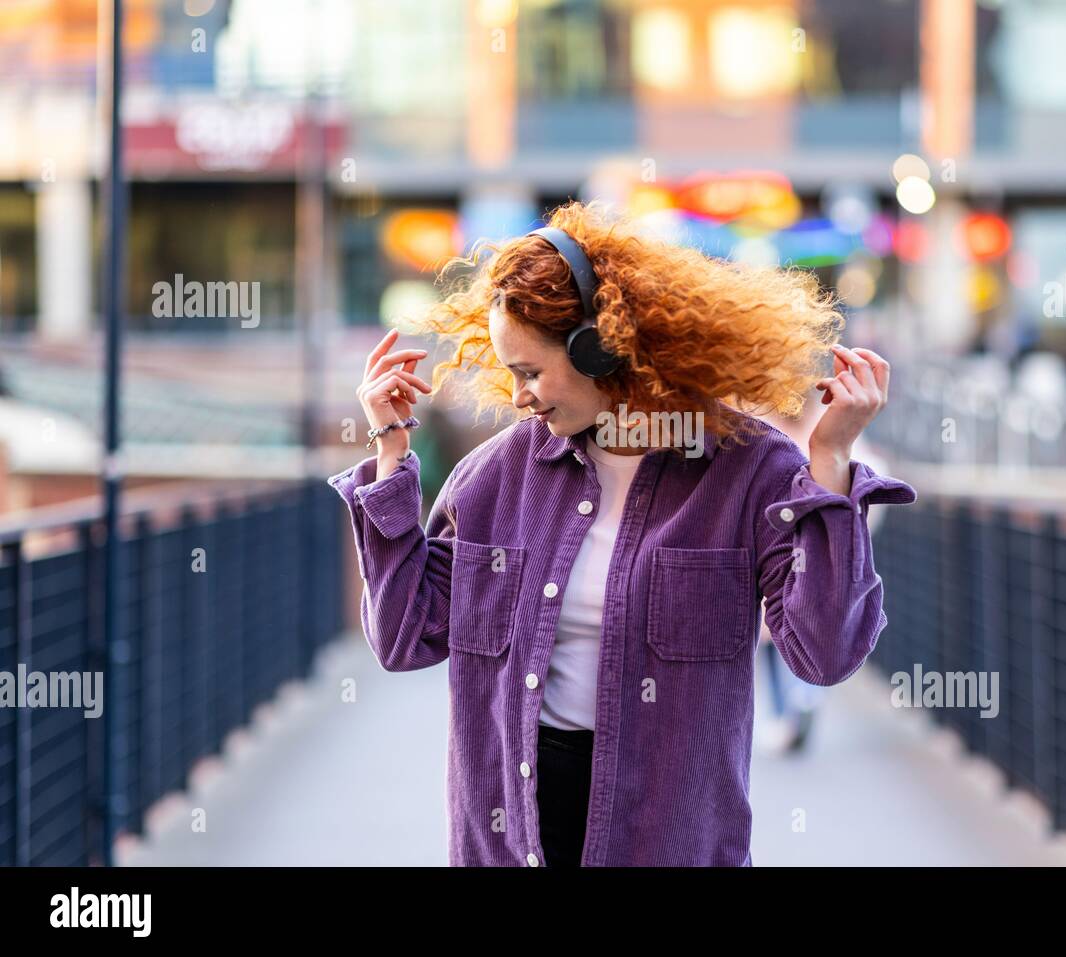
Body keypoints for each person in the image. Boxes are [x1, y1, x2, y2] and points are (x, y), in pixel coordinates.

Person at [327, 199, 917, 867]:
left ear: (598, 345)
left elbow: (826, 652)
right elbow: (404, 636)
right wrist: (389, 456)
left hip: (667, 842)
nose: (518, 395)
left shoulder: (749, 470)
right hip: (514, 837)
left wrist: (832, 464)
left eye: (529, 371)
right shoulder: (495, 477)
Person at [755, 383, 896, 755]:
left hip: (773, 544)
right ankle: (804, 699)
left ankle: (788, 710)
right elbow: (865, 475)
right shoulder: (826, 425)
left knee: (774, 631)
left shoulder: (765, 425)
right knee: (811, 627)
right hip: (817, 545)